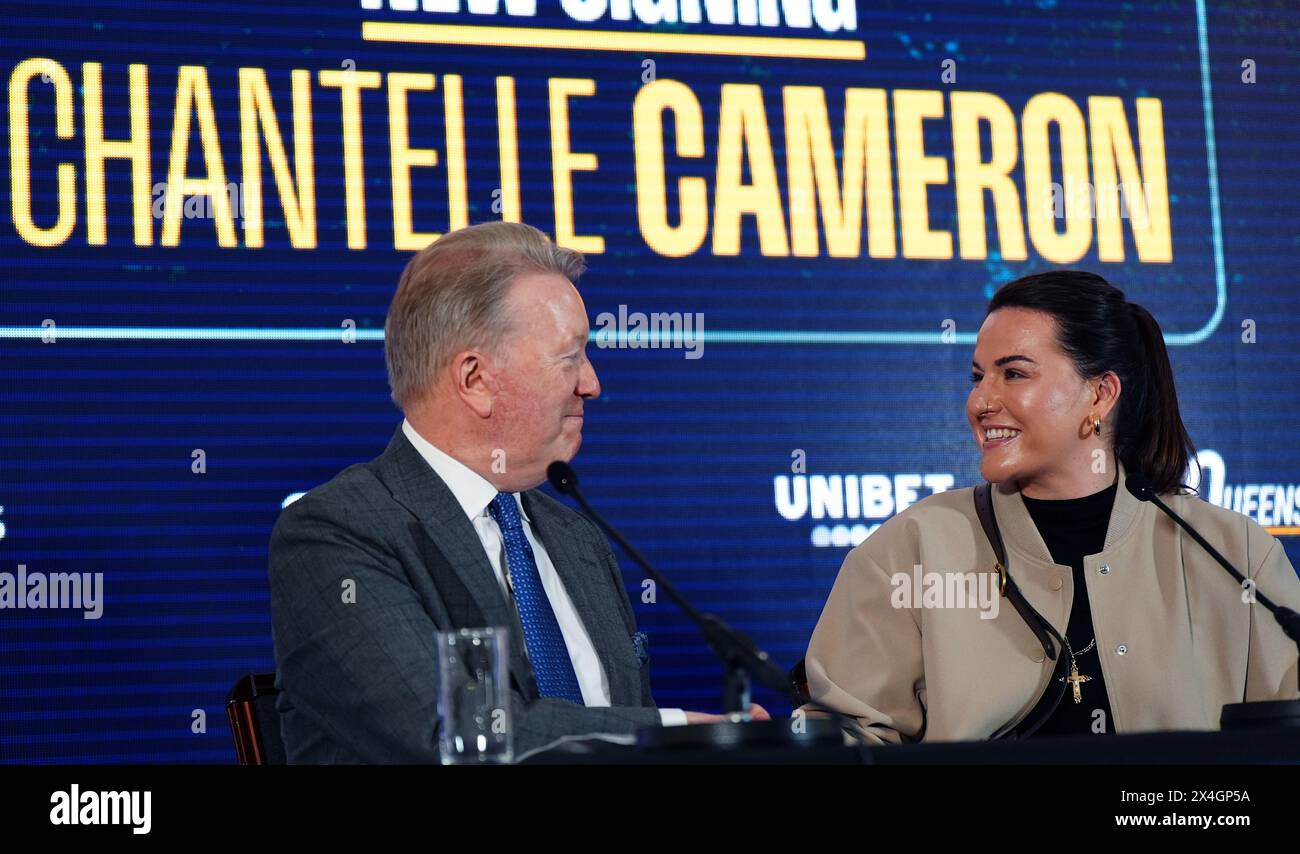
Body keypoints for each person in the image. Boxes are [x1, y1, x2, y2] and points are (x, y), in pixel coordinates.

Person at [270, 221, 763, 763]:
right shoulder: (338, 533)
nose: (592, 383)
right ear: (476, 379)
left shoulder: (576, 538)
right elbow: (452, 737)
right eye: (569, 356)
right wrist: (680, 733)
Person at [805, 270, 1300, 743]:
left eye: (1013, 374)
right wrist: (777, 744)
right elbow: (849, 737)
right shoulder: (908, 552)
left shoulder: (1234, 553)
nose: (980, 402)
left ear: (1100, 395)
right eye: (977, 377)